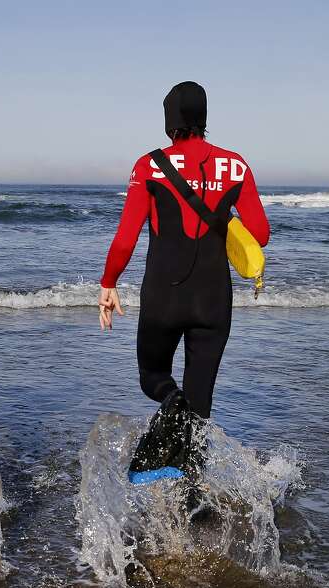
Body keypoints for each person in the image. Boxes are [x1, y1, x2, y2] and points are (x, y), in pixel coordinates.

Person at [98, 81, 270, 484]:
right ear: (204, 118)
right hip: (213, 299)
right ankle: (194, 498)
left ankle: (169, 401)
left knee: (152, 376)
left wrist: (109, 283)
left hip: (164, 294)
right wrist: (221, 214)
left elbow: (126, 236)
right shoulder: (236, 165)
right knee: (201, 404)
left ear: (169, 119)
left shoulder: (149, 165)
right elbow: (259, 233)